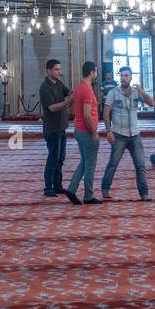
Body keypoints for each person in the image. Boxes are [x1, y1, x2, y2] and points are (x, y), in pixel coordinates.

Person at [100, 66, 152, 201]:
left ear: (131, 77)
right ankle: (105, 188)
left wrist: (142, 91)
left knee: (140, 165)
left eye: (126, 76)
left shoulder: (136, 92)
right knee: (113, 164)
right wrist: (108, 130)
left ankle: (144, 193)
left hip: (135, 135)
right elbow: (106, 112)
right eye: (122, 76)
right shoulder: (113, 92)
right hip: (118, 134)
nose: (124, 78)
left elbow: (152, 103)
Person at [65, 61, 102, 205]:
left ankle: (71, 189)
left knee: (84, 162)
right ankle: (88, 195)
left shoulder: (79, 87)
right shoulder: (87, 89)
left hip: (79, 130)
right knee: (90, 164)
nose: (96, 74)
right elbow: (87, 115)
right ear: (92, 72)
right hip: (86, 132)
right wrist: (94, 133)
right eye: (96, 71)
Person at [39, 58, 72, 198]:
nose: (59, 72)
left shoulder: (59, 84)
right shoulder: (44, 88)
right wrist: (68, 101)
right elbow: (52, 108)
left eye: (59, 69)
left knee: (61, 158)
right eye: (56, 69)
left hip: (62, 126)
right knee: (53, 158)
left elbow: (69, 93)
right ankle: (48, 188)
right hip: (52, 129)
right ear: (49, 70)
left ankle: (58, 186)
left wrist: (75, 94)